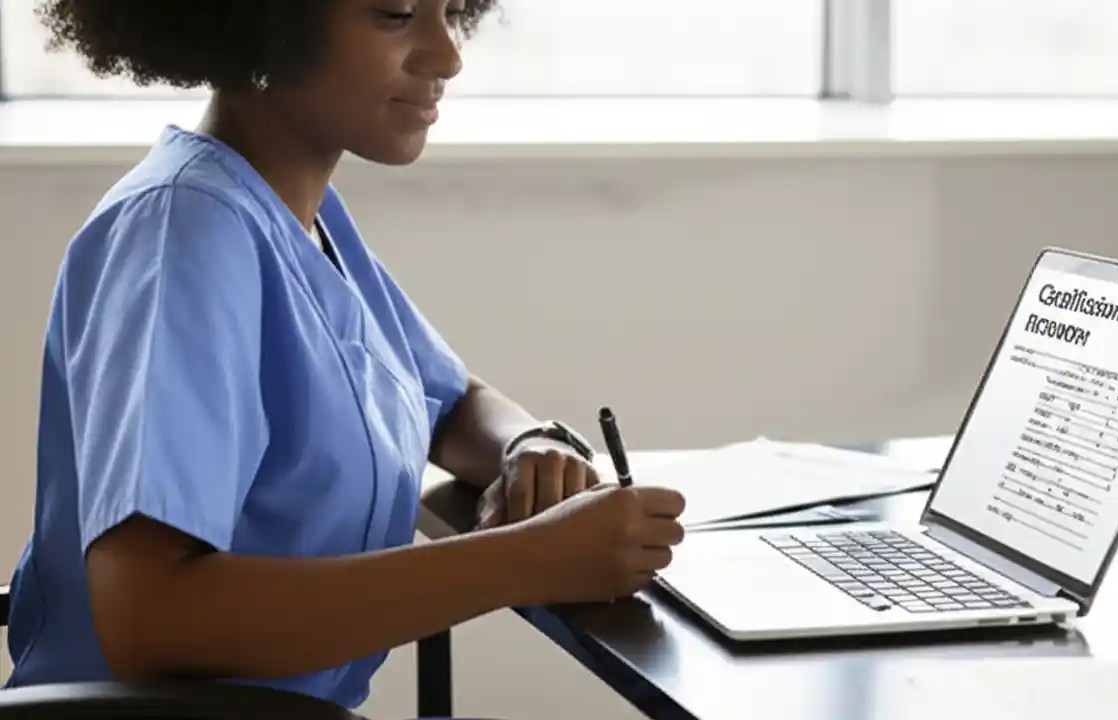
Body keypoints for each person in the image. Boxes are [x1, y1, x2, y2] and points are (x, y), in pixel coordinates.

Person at [3, 0, 687, 713]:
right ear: (266, 21)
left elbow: (450, 399)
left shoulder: (302, 216)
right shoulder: (187, 233)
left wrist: (529, 443)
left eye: (452, 10)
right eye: (395, 15)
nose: (447, 55)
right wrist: (525, 562)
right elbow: (150, 618)